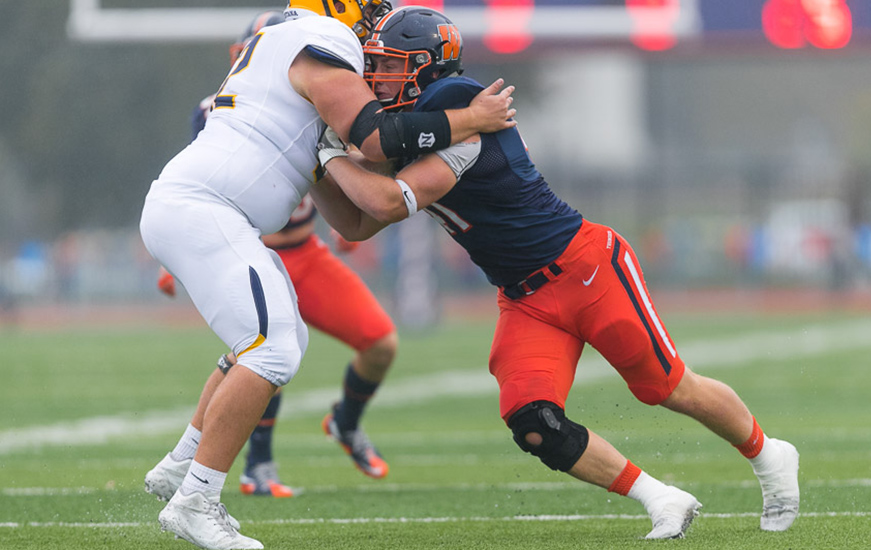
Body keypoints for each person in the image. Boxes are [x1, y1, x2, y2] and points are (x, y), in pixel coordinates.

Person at [311, 6, 800, 539]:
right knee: (533, 423)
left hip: (585, 268)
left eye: (387, 65)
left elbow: (379, 189)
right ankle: (661, 497)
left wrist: (327, 151)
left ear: (426, 65)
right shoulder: (418, 123)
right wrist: (315, 168)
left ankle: (769, 457)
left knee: (667, 387)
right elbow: (355, 224)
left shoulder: (451, 100)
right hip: (524, 299)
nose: (373, 78)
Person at [138, 0, 517, 547]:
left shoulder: (289, 51)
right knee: (269, 350)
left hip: (214, 211)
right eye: (368, 9)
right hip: (207, 208)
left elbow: (351, 222)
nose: (373, 24)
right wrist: (468, 121)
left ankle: (180, 465)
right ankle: (196, 499)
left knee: (280, 338)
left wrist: (352, 171)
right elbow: (376, 138)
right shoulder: (320, 39)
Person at [151, 10, 397, 503]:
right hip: (240, 237)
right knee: (267, 348)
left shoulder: (315, 89)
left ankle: (187, 465)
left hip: (302, 249)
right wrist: (458, 123)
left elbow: (349, 183)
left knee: (368, 342)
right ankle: (218, 480)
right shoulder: (262, 87)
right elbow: (211, 176)